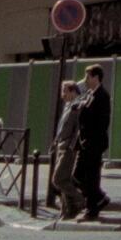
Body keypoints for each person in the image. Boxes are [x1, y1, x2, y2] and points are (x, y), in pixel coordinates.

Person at [75, 64, 111, 220]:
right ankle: (99, 197)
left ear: (96, 77)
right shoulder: (90, 93)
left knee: (91, 175)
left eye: (88, 77)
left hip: (94, 142)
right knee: (78, 175)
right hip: (85, 142)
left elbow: (102, 121)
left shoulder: (102, 96)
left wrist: (90, 140)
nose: (86, 80)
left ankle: (92, 209)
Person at [49, 81, 85, 218]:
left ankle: (80, 199)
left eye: (65, 91)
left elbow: (77, 128)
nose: (62, 95)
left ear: (73, 92)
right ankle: (66, 210)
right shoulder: (68, 105)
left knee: (58, 179)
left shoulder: (77, 106)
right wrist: (55, 142)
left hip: (68, 147)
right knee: (64, 179)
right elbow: (62, 127)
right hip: (61, 144)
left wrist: (71, 145)